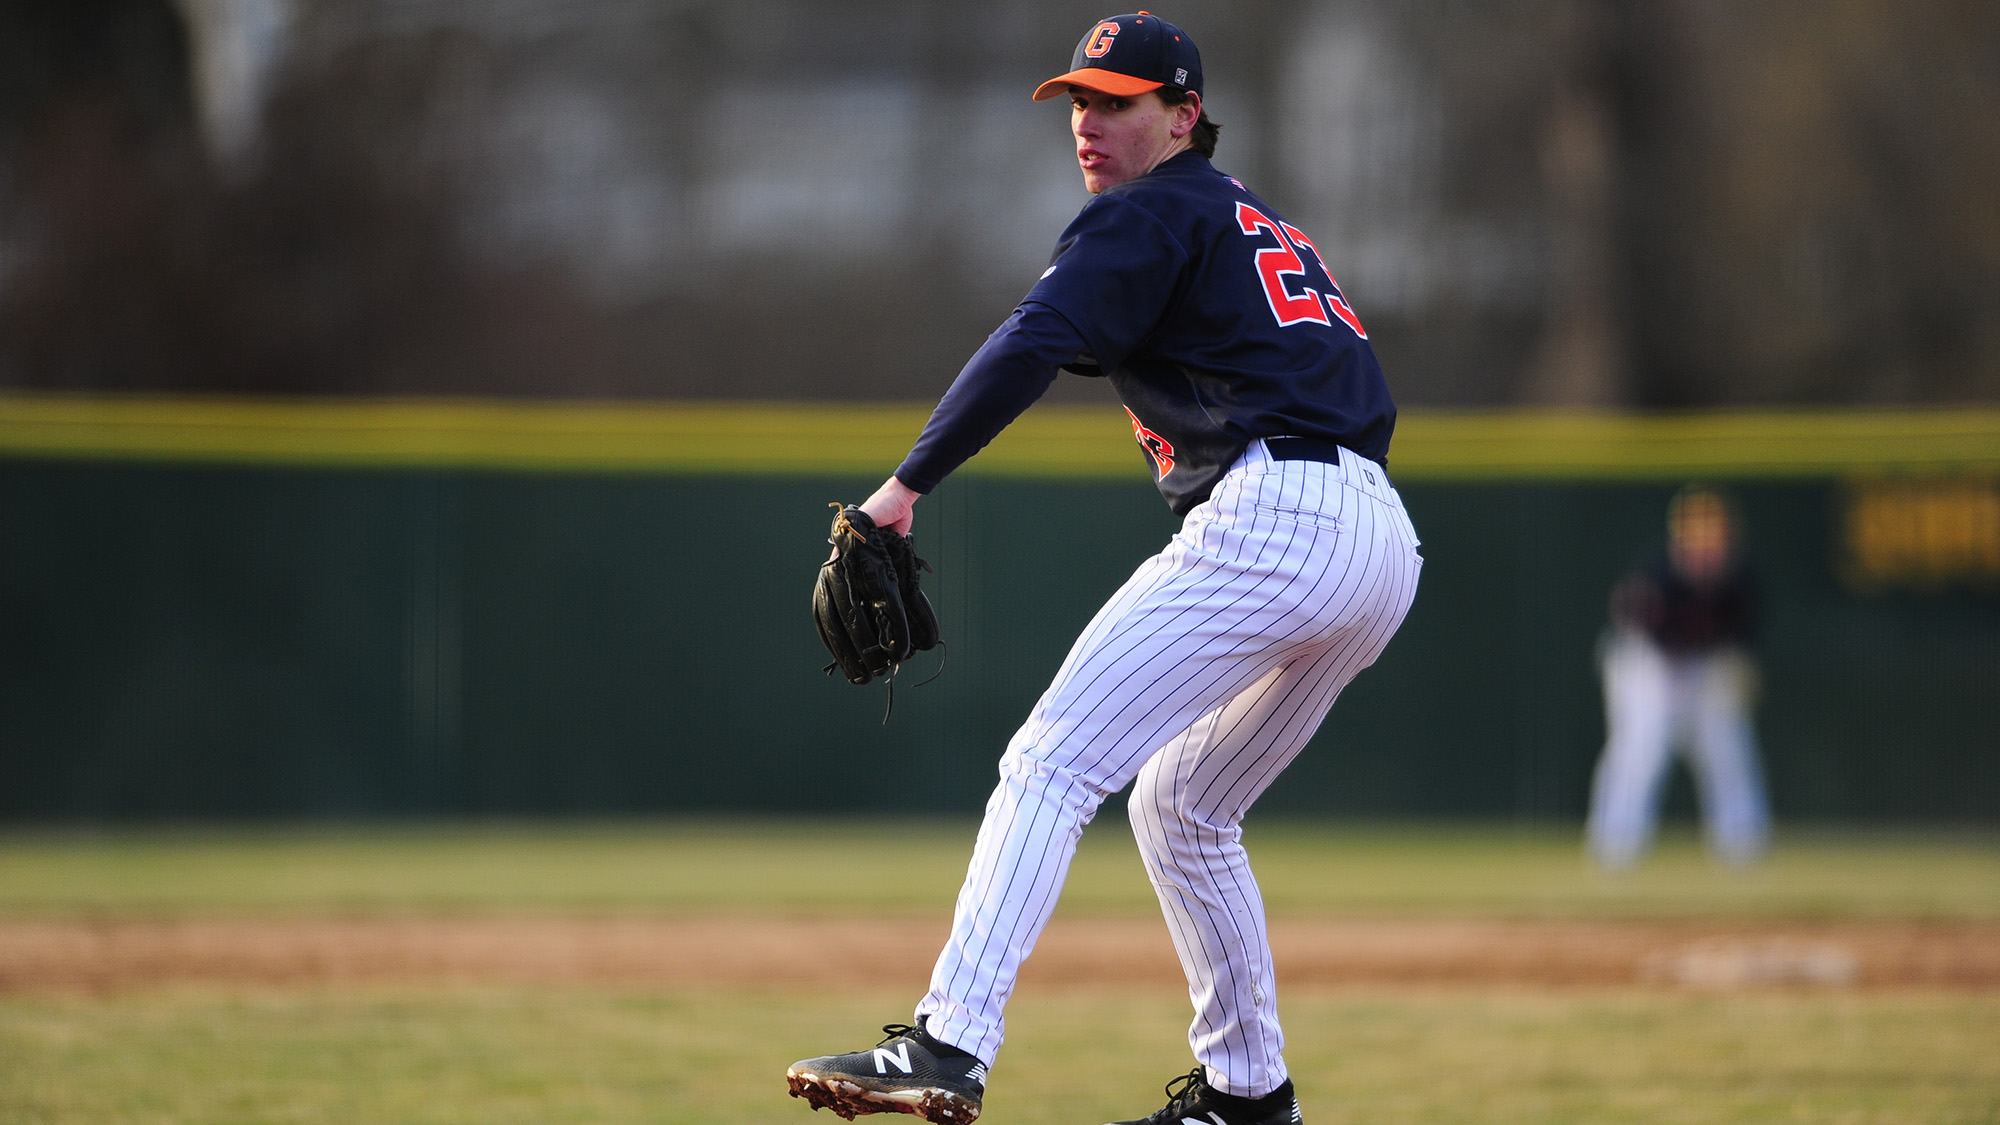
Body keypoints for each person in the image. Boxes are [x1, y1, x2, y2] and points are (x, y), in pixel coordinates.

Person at [785, 14, 1421, 1125]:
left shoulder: (1149, 210)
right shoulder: (1246, 219)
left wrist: (902, 489)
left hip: (1280, 514)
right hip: (1374, 537)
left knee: (1050, 761)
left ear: (1183, 115)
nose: (1087, 121)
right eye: (1079, 100)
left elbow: (1032, 339)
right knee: (1181, 805)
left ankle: (947, 1041)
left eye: (1117, 102)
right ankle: (1247, 1097)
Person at [1585, 485, 1771, 868]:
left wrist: (1738, 673)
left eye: (1714, 540)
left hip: (1704, 664)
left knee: (1727, 744)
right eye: (1698, 540)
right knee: (1642, 747)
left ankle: (1743, 843)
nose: (1707, 549)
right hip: (1645, 662)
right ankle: (1614, 845)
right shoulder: (1659, 572)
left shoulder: (1742, 580)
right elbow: (1630, 622)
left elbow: (1740, 646)